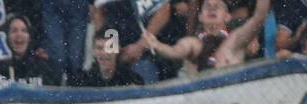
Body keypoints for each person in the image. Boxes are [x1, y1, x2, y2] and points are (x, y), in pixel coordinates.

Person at [144, 0, 272, 70]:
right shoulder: (193, 43)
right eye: (207, 6)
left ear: (227, 17)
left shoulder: (235, 40)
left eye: (217, 6)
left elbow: (259, 17)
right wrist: (157, 45)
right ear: (200, 17)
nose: (212, 8)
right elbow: (175, 51)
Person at [92, 0, 173, 84]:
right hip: (114, 56)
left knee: (144, 76)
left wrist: (140, 46)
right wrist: (109, 47)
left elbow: (164, 9)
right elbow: (97, 12)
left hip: (144, 54)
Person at [0, 15, 63, 88]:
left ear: (29, 37)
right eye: (14, 30)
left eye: (24, 30)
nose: (19, 34)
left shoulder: (42, 65)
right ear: (6, 36)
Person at [41, 0, 92, 84]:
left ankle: (74, 92)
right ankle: (54, 92)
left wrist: (92, 3)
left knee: (75, 59)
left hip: (78, 7)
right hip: (53, 6)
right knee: (58, 57)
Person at [76, 28, 145, 87]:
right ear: (93, 51)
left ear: (118, 49)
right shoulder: (83, 81)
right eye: (99, 48)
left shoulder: (132, 80)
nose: (105, 53)